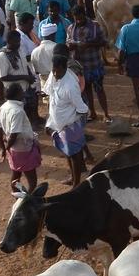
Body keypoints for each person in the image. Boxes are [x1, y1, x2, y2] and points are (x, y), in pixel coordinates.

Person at [44, 53, 90, 184]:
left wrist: (74, 120)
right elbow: (49, 93)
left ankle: (76, 183)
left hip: (70, 124)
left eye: (56, 70)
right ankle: (74, 177)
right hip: (59, 122)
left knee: (74, 154)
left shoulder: (71, 86)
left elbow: (81, 108)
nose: (54, 73)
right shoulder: (55, 76)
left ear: (64, 68)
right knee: (68, 152)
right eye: (52, 70)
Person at [68, 5, 109, 121]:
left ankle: (106, 114)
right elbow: (68, 42)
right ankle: (93, 112)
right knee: (87, 91)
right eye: (76, 18)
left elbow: (104, 43)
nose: (78, 21)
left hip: (94, 64)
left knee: (100, 90)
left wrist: (89, 44)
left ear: (84, 14)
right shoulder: (71, 28)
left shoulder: (95, 26)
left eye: (80, 18)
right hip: (81, 67)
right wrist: (71, 46)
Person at [0, 29, 39, 123]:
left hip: (25, 86)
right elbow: (3, 77)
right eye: (16, 42)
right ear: (9, 41)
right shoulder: (2, 56)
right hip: (14, 91)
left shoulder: (19, 51)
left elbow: (25, 65)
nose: (18, 44)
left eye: (19, 41)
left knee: (29, 108)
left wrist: (30, 75)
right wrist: (24, 77)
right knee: (18, 114)